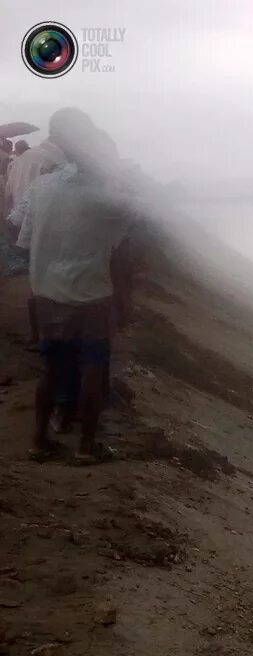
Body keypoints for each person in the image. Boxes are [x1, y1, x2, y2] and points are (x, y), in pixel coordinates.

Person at [18, 108, 130, 463]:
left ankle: (39, 440)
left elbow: (23, 237)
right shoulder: (105, 196)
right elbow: (122, 243)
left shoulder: (42, 187)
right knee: (93, 369)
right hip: (91, 296)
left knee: (52, 370)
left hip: (47, 294)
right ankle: (85, 446)